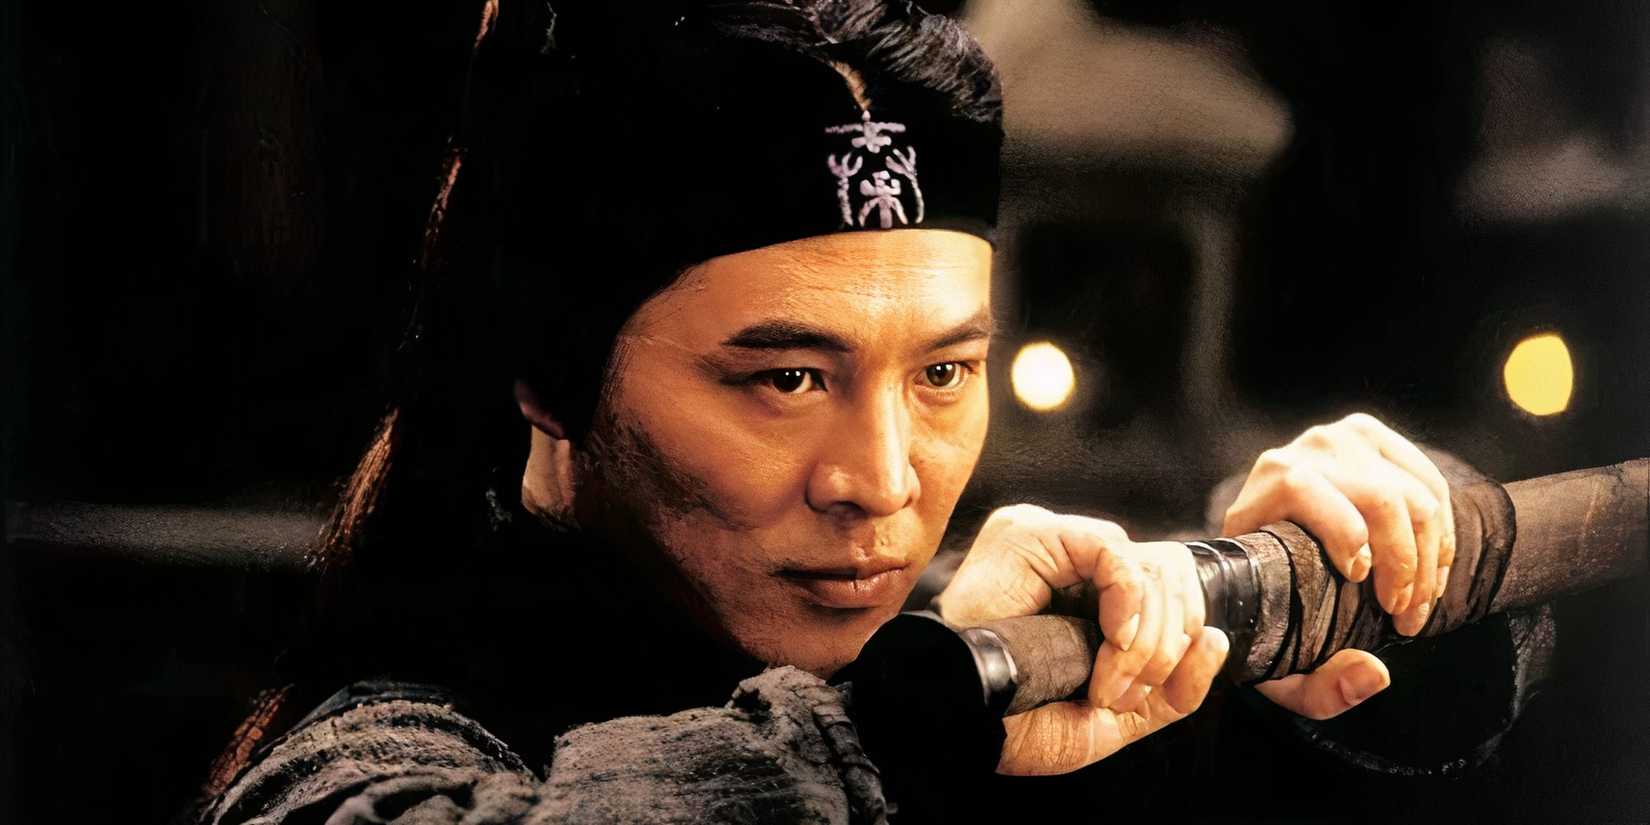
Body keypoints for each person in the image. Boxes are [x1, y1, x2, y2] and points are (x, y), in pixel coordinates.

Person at [196, 3, 1481, 822]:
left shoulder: (1002, 667)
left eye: (942, 375)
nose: (881, 480)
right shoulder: (386, 751)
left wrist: (1381, 557)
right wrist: (920, 717)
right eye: (788, 380)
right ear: (547, 373)